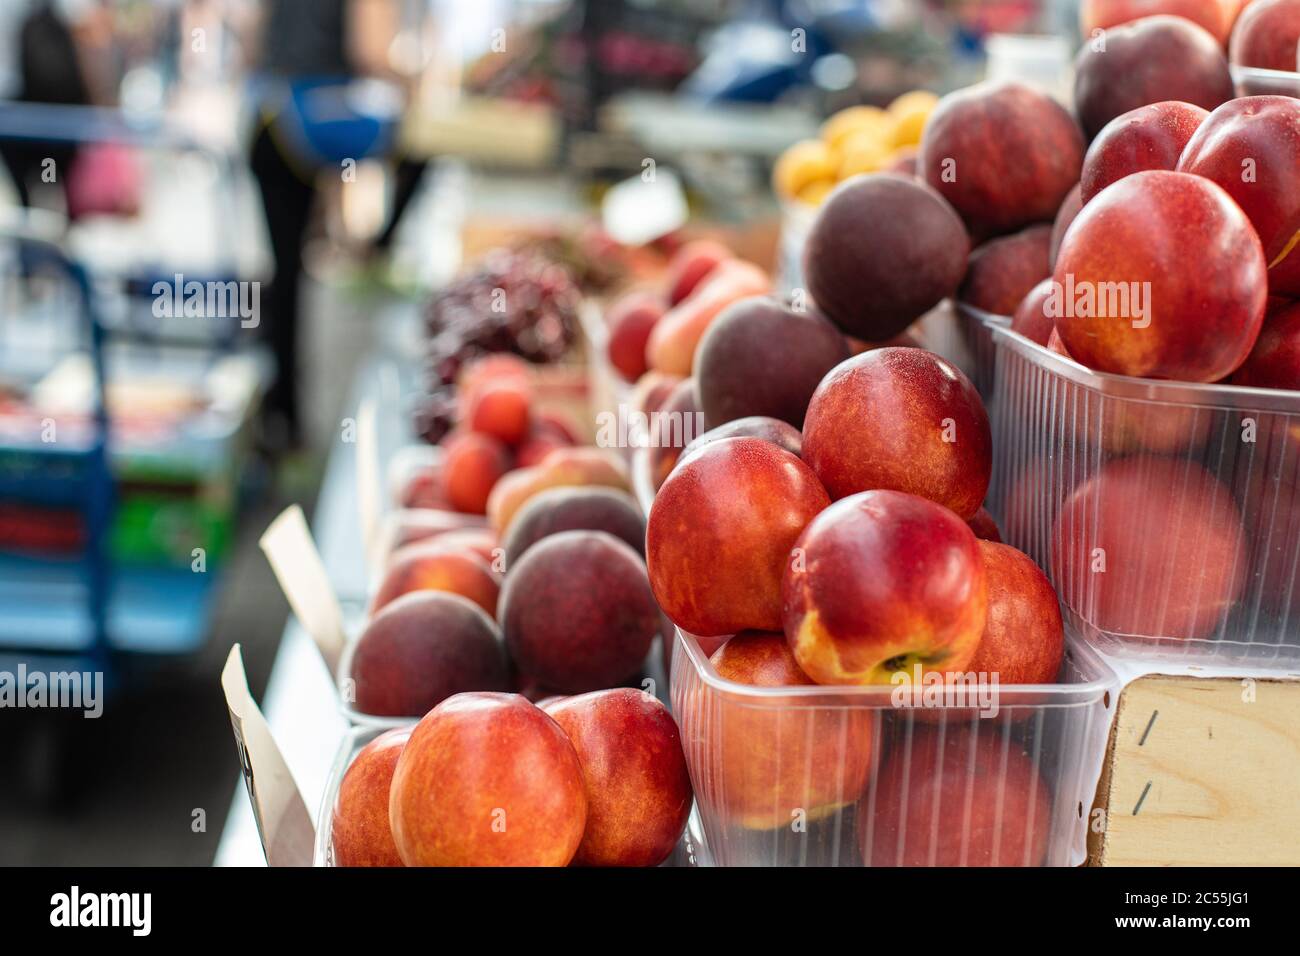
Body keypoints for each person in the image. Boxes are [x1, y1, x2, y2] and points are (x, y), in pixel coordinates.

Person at [247, 0, 420, 449]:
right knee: (421, 150)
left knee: (284, 274)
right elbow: (371, 51)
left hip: (268, 119)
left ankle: (281, 416)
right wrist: (414, 81)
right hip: (310, 122)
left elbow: (253, 41)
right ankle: (375, 250)